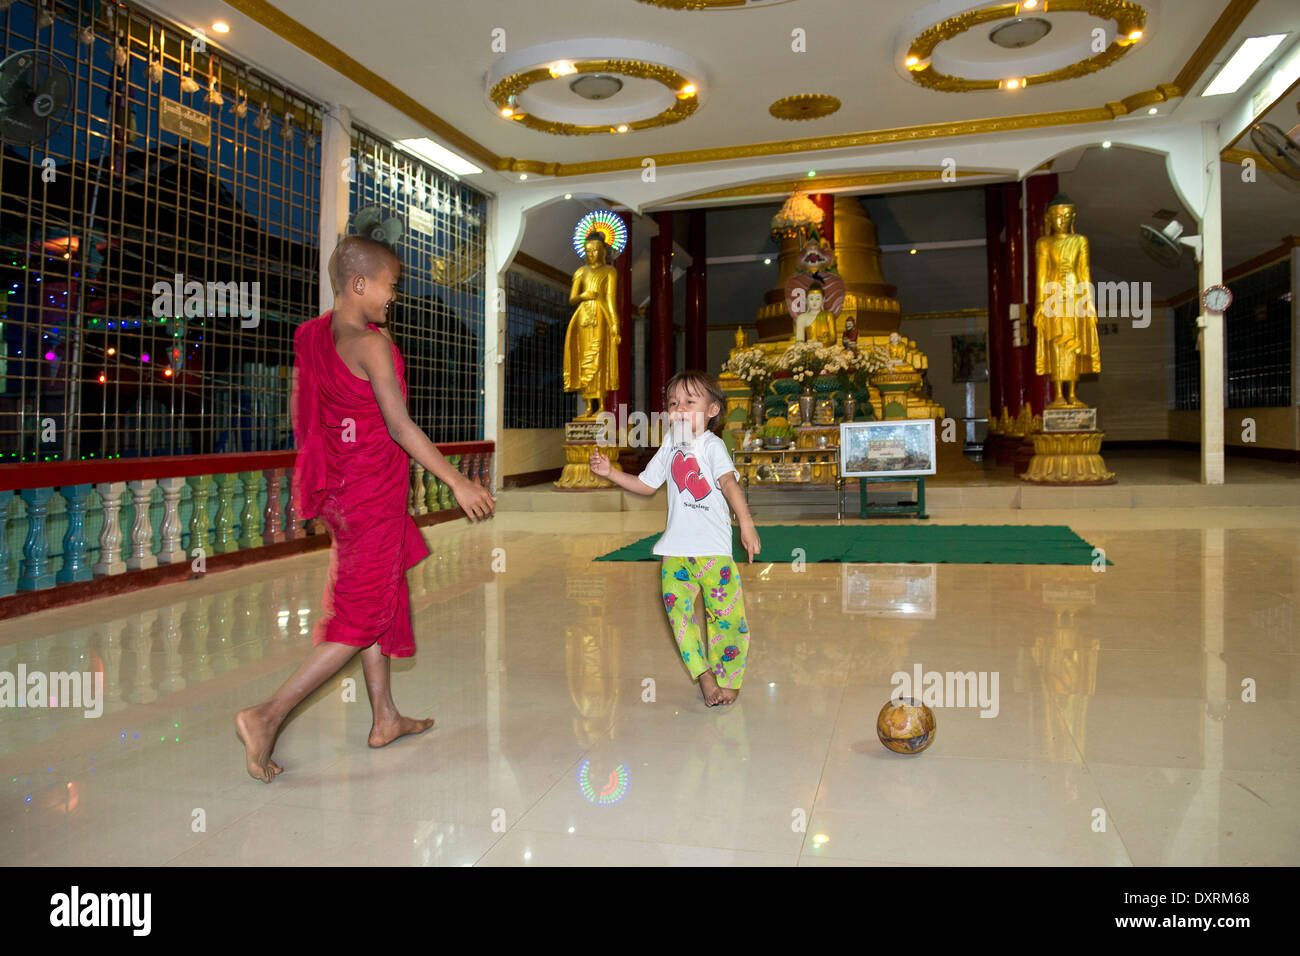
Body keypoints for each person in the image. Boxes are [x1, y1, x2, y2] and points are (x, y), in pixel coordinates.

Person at [236, 236, 495, 783]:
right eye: (391, 285)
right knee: (356, 620)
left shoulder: (312, 336)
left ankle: (385, 717)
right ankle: (266, 716)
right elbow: (400, 425)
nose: (393, 297)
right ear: (360, 284)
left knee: (378, 595)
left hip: (339, 492)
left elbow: (300, 412)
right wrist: (457, 482)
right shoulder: (372, 345)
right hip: (371, 497)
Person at [590, 371, 761, 706]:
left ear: (712, 410)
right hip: (675, 553)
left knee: (727, 619)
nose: (679, 409)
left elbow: (728, 484)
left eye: (689, 401)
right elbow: (647, 484)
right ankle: (704, 676)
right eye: (672, 403)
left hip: (714, 553)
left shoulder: (713, 446)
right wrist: (611, 473)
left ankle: (728, 679)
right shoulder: (671, 443)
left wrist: (746, 522)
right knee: (680, 620)